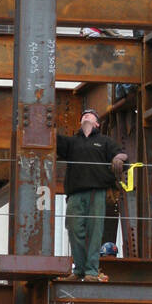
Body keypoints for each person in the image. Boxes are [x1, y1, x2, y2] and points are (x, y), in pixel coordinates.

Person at [57, 110, 127, 282]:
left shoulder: (105, 142)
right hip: (75, 194)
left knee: (95, 232)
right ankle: (79, 269)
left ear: (97, 123)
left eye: (90, 114)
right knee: (74, 230)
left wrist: (119, 158)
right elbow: (54, 141)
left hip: (97, 192)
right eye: (84, 115)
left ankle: (91, 272)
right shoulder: (72, 142)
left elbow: (122, 155)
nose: (86, 115)